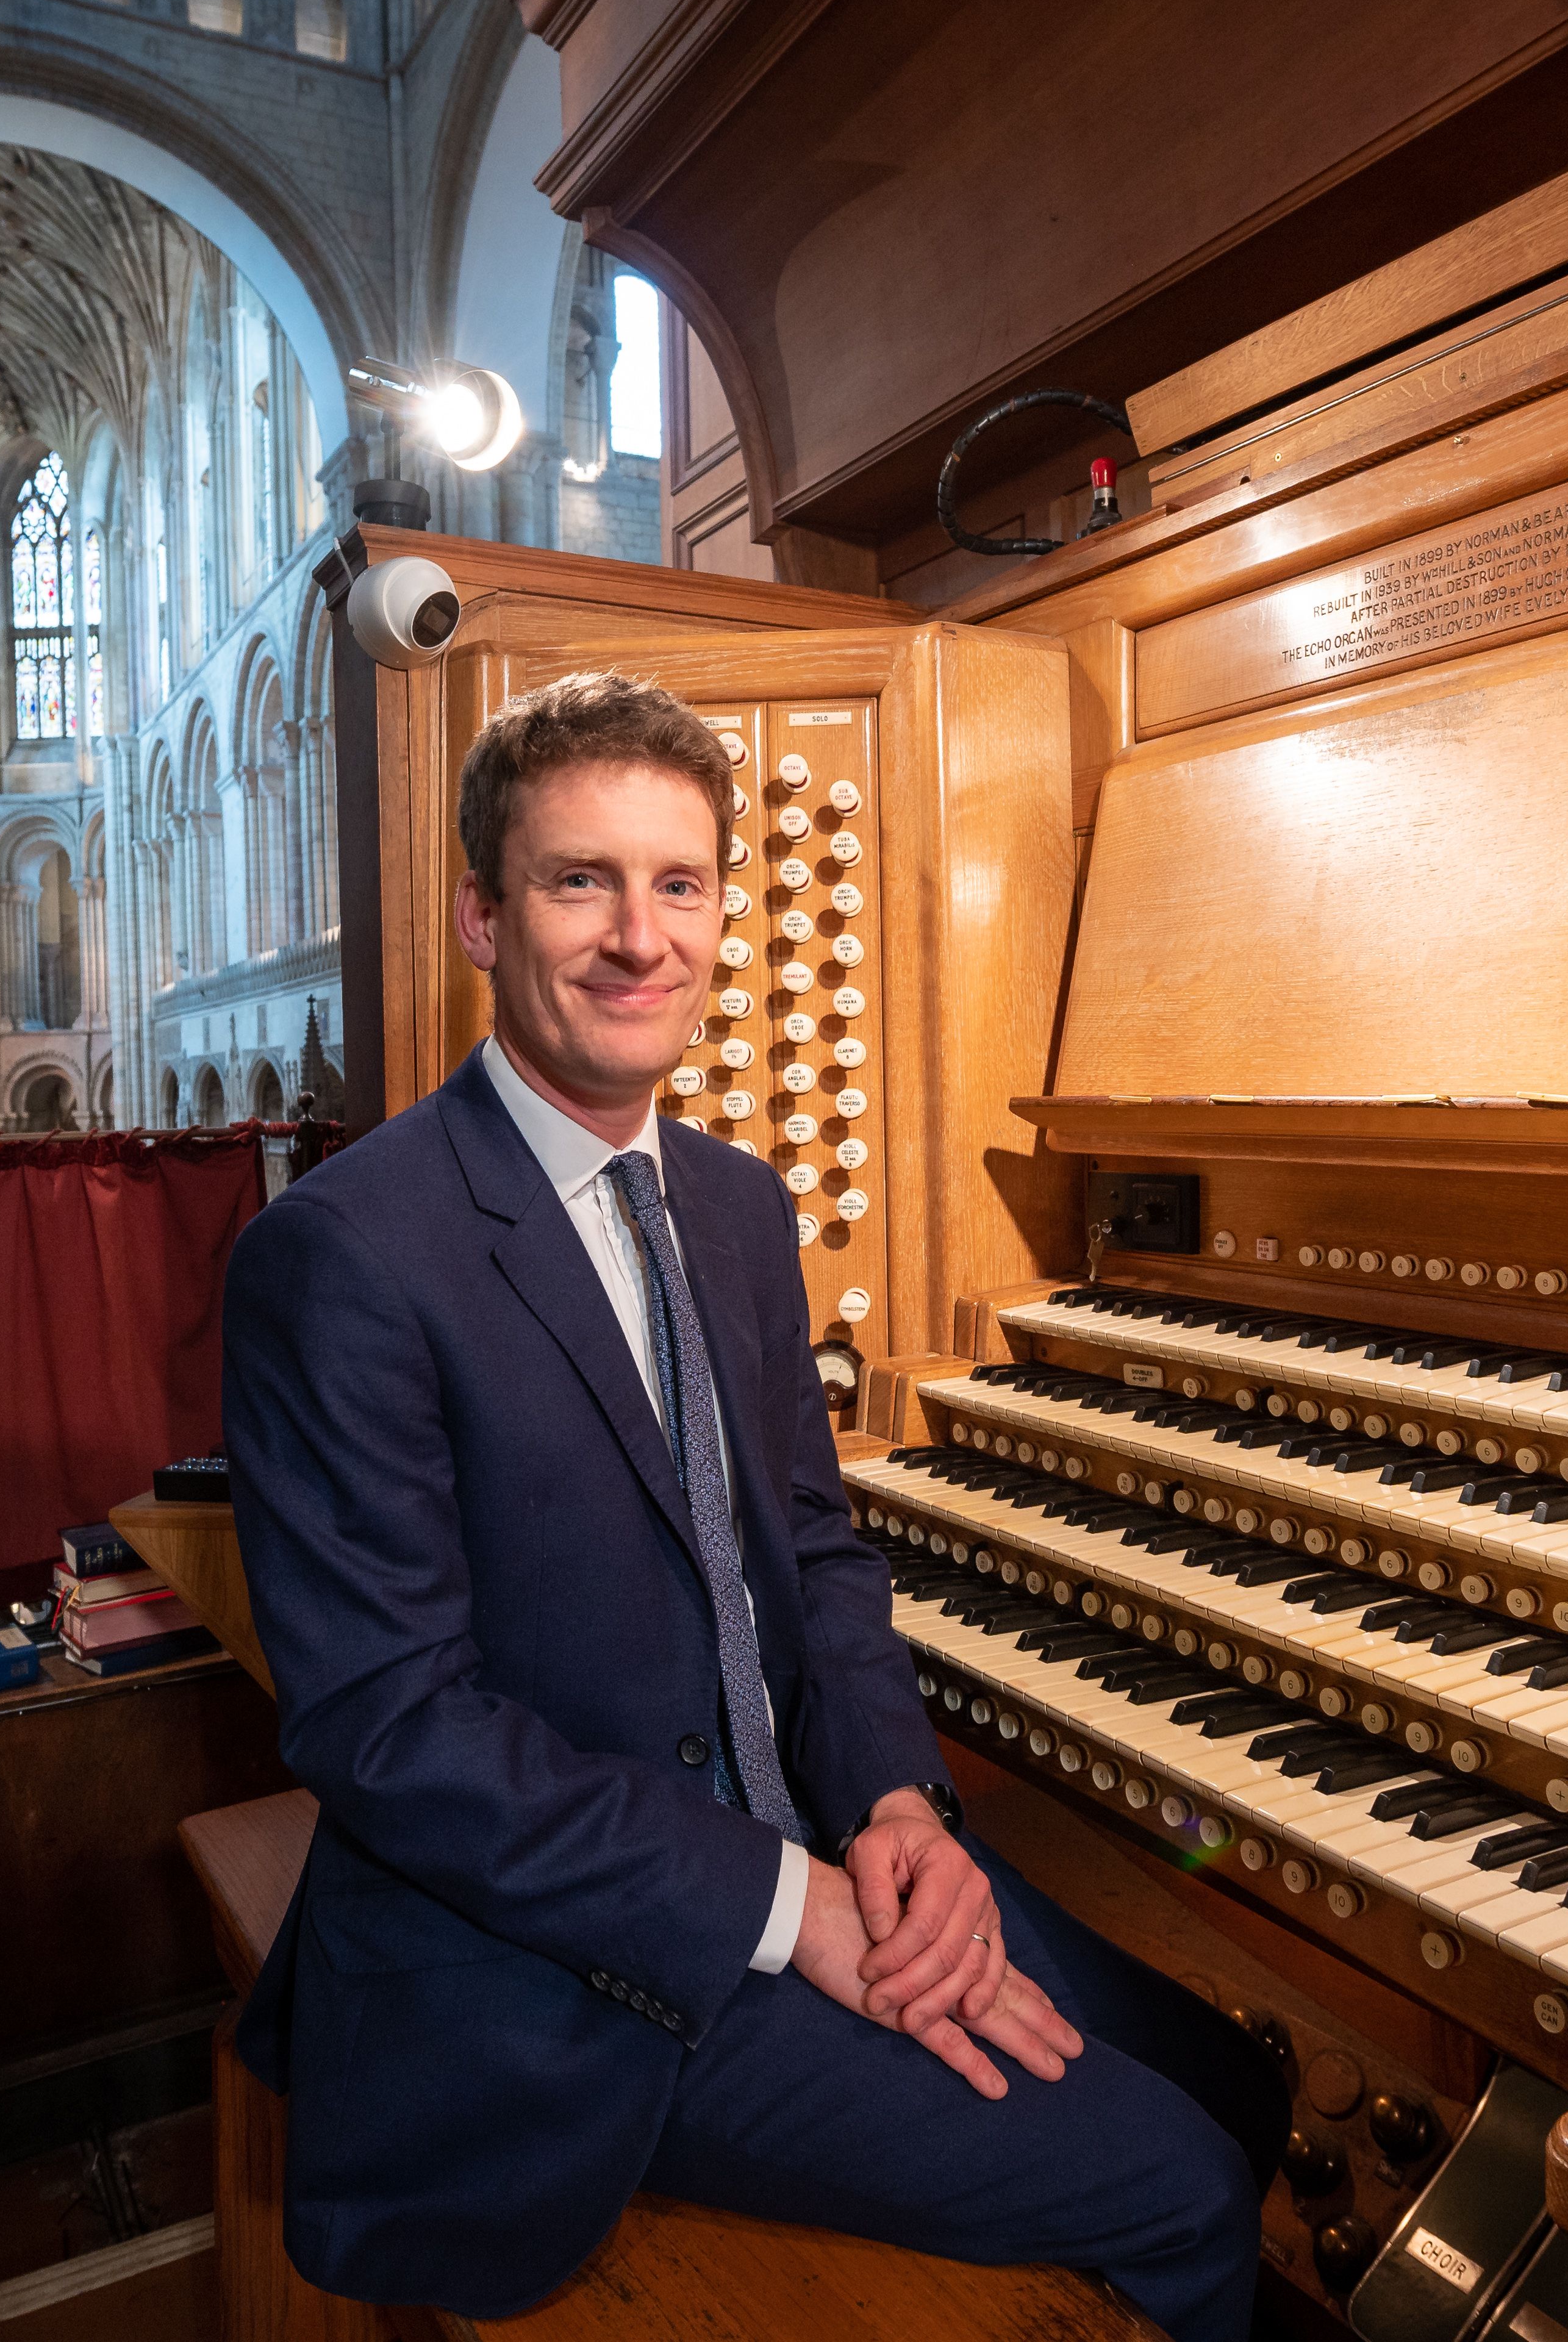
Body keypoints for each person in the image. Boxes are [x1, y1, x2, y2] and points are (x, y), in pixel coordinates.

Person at [221, 671, 1281, 2339]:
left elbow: (808, 1551)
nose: (641, 937)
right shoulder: (349, 1255)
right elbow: (392, 1732)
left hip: (816, 1855)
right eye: (582, 882)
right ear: (483, 919)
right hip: (566, 1968)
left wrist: (901, 1815)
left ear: (724, 910)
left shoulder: (729, 1205)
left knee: (1230, 2082)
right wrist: (797, 1915)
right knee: (1185, 2185)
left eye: (681, 884)